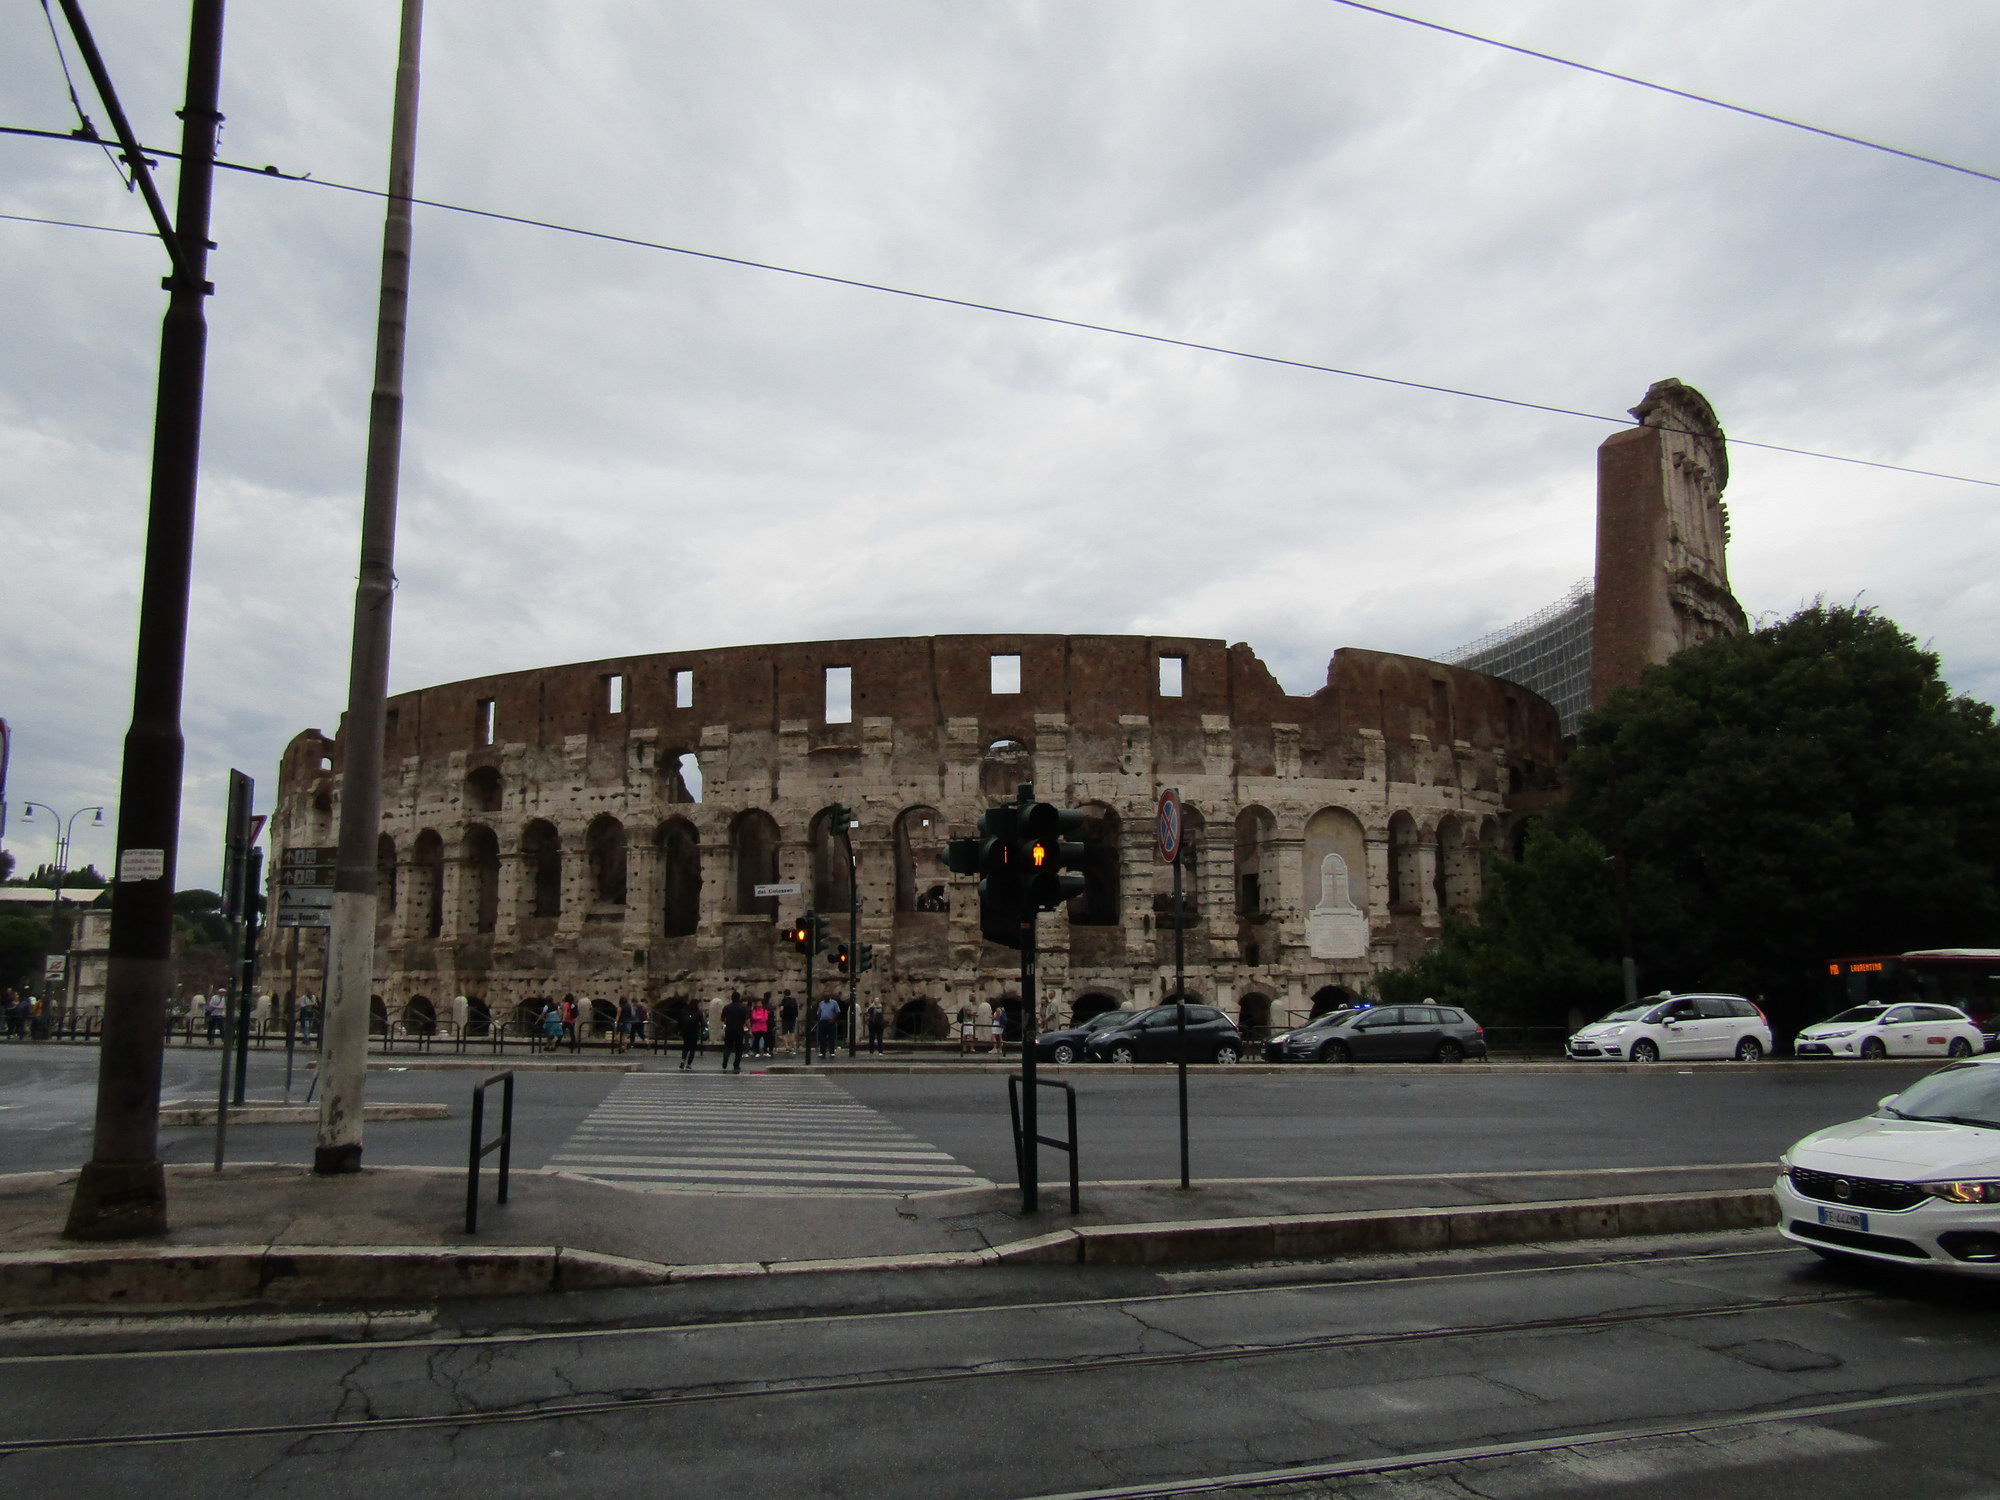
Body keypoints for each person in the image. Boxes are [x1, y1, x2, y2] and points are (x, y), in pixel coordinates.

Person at [720, 992, 749, 1073]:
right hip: (739, 1030)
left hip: (729, 1029)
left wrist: (727, 1021)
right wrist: (750, 1028)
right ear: (739, 998)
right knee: (739, 1048)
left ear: (731, 998)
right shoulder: (743, 1008)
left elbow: (722, 1018)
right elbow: (746, 1020)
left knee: (727, 1046)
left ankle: (725, 1059)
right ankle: (736, 1064)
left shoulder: (727, 1007)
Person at [676, 1001, 702, 1069]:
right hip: (694, 1033)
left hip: (686, 1032)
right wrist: (702, 1031)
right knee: (692, 1049)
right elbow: (703, 1023)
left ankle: (683, 1060)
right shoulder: (698, 1012)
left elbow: (679, 1022)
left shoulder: (684, 1011)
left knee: (685, 1047)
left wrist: (678, 1030)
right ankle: (689, 1064)